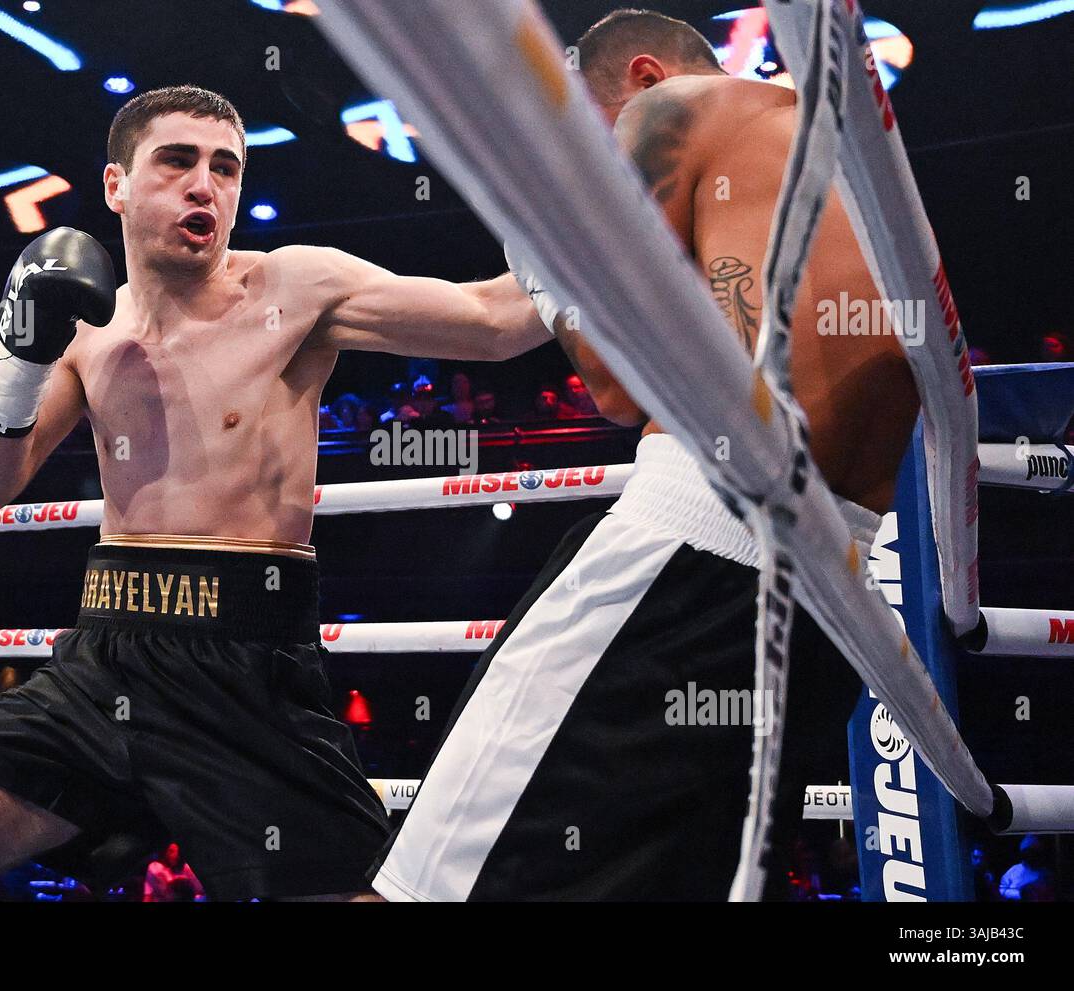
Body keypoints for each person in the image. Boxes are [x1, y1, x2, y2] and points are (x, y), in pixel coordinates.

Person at [0, 84, 549, 902]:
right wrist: (17, 349)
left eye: (225, 168)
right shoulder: (86, 329)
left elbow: (493, 321)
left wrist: (599, 219)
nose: (204, 185)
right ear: (116, 185)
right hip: (104, 657)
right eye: (177, 161)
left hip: (250, 667)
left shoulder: (295, 290)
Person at [370, 8, 921, 900]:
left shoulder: (667, 111)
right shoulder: (831, 154)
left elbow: (622, 391)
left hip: (689, 552)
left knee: (426, 881)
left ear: (639, 79)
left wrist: (547, 252)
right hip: (828, 607)